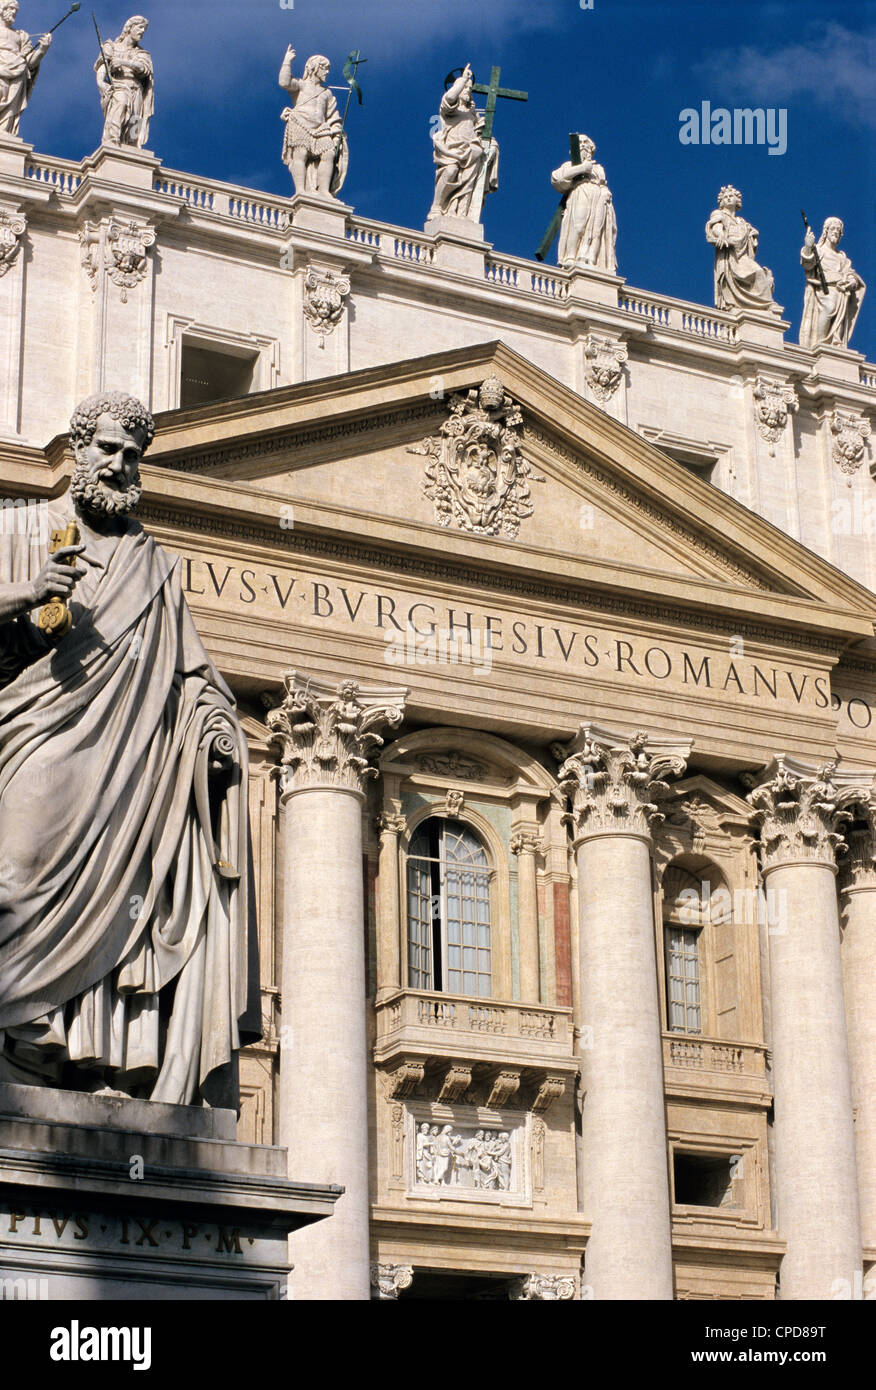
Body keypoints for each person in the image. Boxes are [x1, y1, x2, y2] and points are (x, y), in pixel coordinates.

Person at [0, 392, 260, 1106]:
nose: (119, 466)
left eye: (132, 456)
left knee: (127, 902)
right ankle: (18, 1046)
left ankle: (87, 1060)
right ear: (76, 449)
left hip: (131, 763)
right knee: (16, 879)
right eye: (108, 449)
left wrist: (212, 730)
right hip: (39, 736)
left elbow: (194, 673)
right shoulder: (21, 529)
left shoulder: (155, 564)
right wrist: (27, 594)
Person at [429, 64, 498, 222]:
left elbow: (485, 136)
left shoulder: (473, 116)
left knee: (468, 185)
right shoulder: (450, 110)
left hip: (471, 154)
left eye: (470, 90)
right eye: (466, 89)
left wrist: (493, 146)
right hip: (452, 151)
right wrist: (463, 80)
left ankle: (460, 213)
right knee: (451, 171)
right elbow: (449, 98)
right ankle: (437, 206)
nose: (468, 91)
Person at [279, 46, 347, 198]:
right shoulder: (302, 85)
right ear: (315, 68)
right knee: (301, 154)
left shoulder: (327, 92)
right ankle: (300, 190)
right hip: (300, 122)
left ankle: (323, 190)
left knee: (329, 154)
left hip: (321, 128)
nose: (327, 72)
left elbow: (333, 115)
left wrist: (336, 130)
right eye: (324, 68)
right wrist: (287, 61)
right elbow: (284, 82)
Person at [551, 135, 617, 272]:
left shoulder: (598, 168)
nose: (582, 145)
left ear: (591, 148)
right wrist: (582, 168)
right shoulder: (570, 165)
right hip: (581, 191)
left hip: (599, 196)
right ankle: (570, 257)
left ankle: (590, 258)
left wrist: (605, 193)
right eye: (579, 143)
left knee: (596, 230)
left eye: (585, 142)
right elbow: (557, 178)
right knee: (579, 225)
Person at [800, 217, 866, 350]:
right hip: (825, 290)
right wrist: (808, 247)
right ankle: (819, 343)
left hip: (841, 291)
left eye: (838, 230)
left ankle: (833, 345)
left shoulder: (841, 256)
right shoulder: (818, 250)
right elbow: (808, 265)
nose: (836, 232)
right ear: (826, 231)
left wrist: (852, 280)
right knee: (829, 308)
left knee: (838, 318)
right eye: (833, 229)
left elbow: (850, 272)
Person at [705, 186, 774, 312]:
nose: (728, 198)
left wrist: (751, 235)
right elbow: (716, 226)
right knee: (757, 273)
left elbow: (749, 236)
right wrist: (720, 235)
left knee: (759, 273)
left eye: (731, 196)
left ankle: (766, 304)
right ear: (721, 202)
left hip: (742, 255)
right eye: (725, 197)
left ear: (737, 201)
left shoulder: (741, 221)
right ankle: (737, 302)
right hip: (730, 255)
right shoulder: (718, 214)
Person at [94, 15, 154, 149]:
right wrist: (101, 83)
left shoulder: (142, 53)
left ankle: (132, 151)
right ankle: (112, 143)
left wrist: (123, 62)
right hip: (120, 85)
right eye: (140, 27)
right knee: (121, 105)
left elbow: (144, 69)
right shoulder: (111, 46)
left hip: (137, 90)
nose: (142, 31)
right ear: (129, 28)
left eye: (144, 29)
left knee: (135, 122)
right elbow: (103, 66)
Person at [0, 0, 51, 136]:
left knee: (10, 109)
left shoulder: (21, 35)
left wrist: (42, 50)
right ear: (1, 9)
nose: (14, 12)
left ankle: (4, 133)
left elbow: (30, 62)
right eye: (10, 8)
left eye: (15, 9)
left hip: (18, 71)